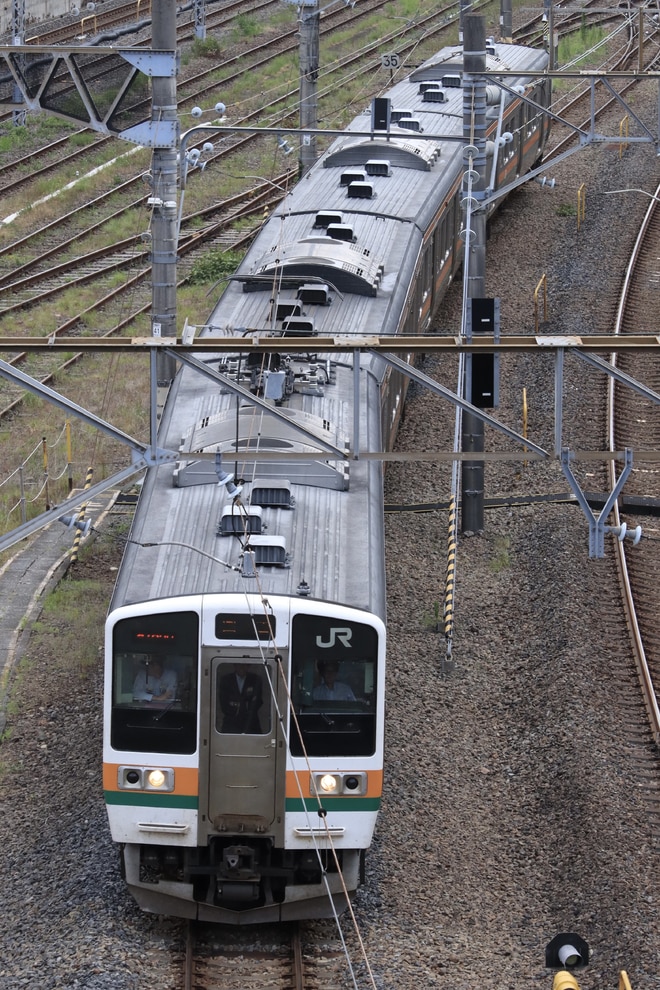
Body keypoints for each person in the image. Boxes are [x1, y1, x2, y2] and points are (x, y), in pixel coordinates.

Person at [219, 663, 264, 733]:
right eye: (239, 665)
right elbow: (223, 702)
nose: (242, 667)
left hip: (251, 724)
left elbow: (258, 701)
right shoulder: (226, 680)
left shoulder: (255, 679)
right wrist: (236, 708)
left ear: (249, 666)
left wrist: (246, 708)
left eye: (245, 665)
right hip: (230, 724)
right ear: (234, 665)